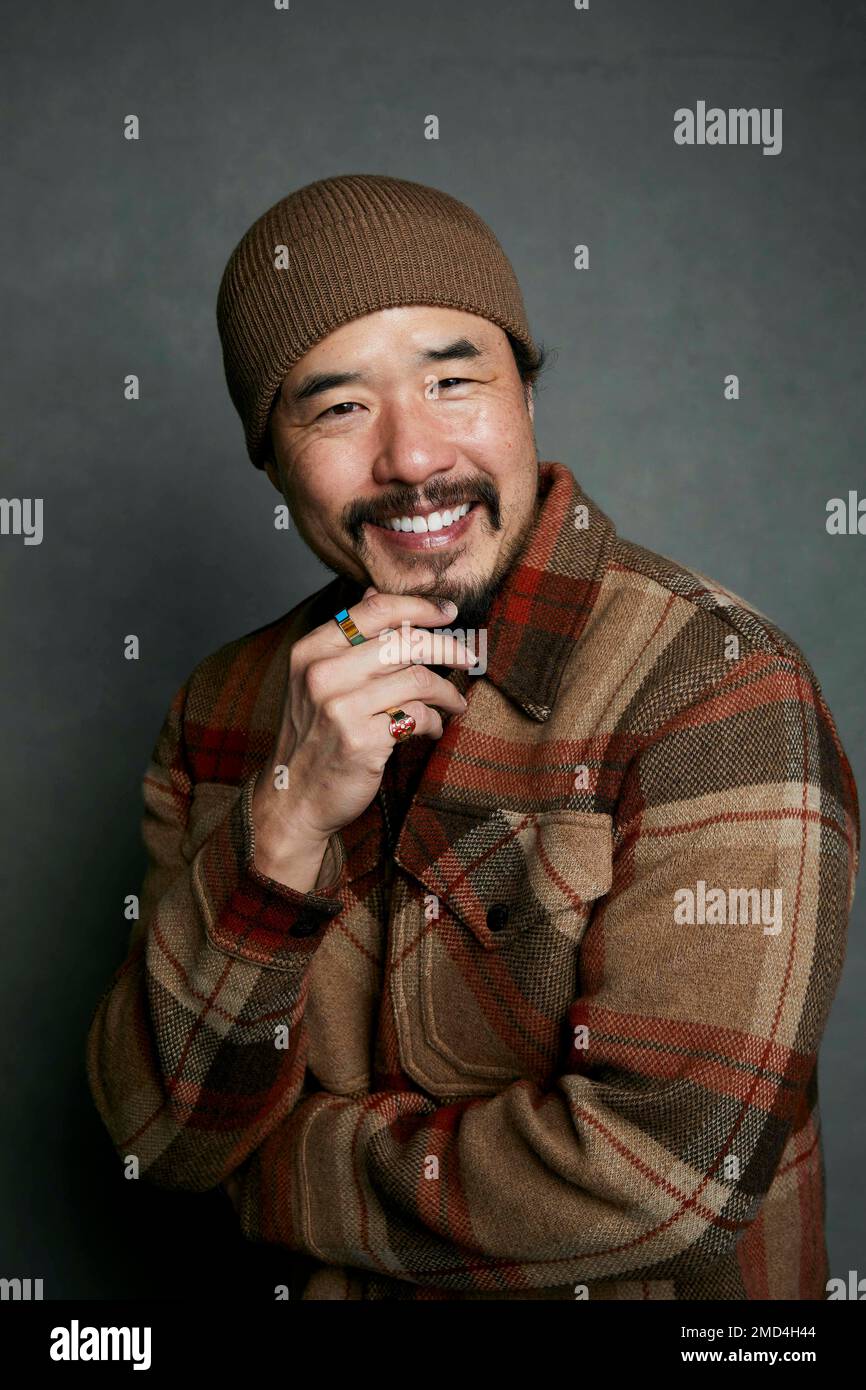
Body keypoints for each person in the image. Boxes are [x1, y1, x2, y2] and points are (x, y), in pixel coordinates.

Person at [86, 173, 860, 1300]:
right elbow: (155, 1136)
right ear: (271, 458)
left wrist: (279, 1181)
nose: (410, 456)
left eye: (454, 379)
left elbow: (667, 1177)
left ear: (525, 396)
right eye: (337, 407)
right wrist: (286, 821)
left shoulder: (713, 685)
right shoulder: (222, 708)